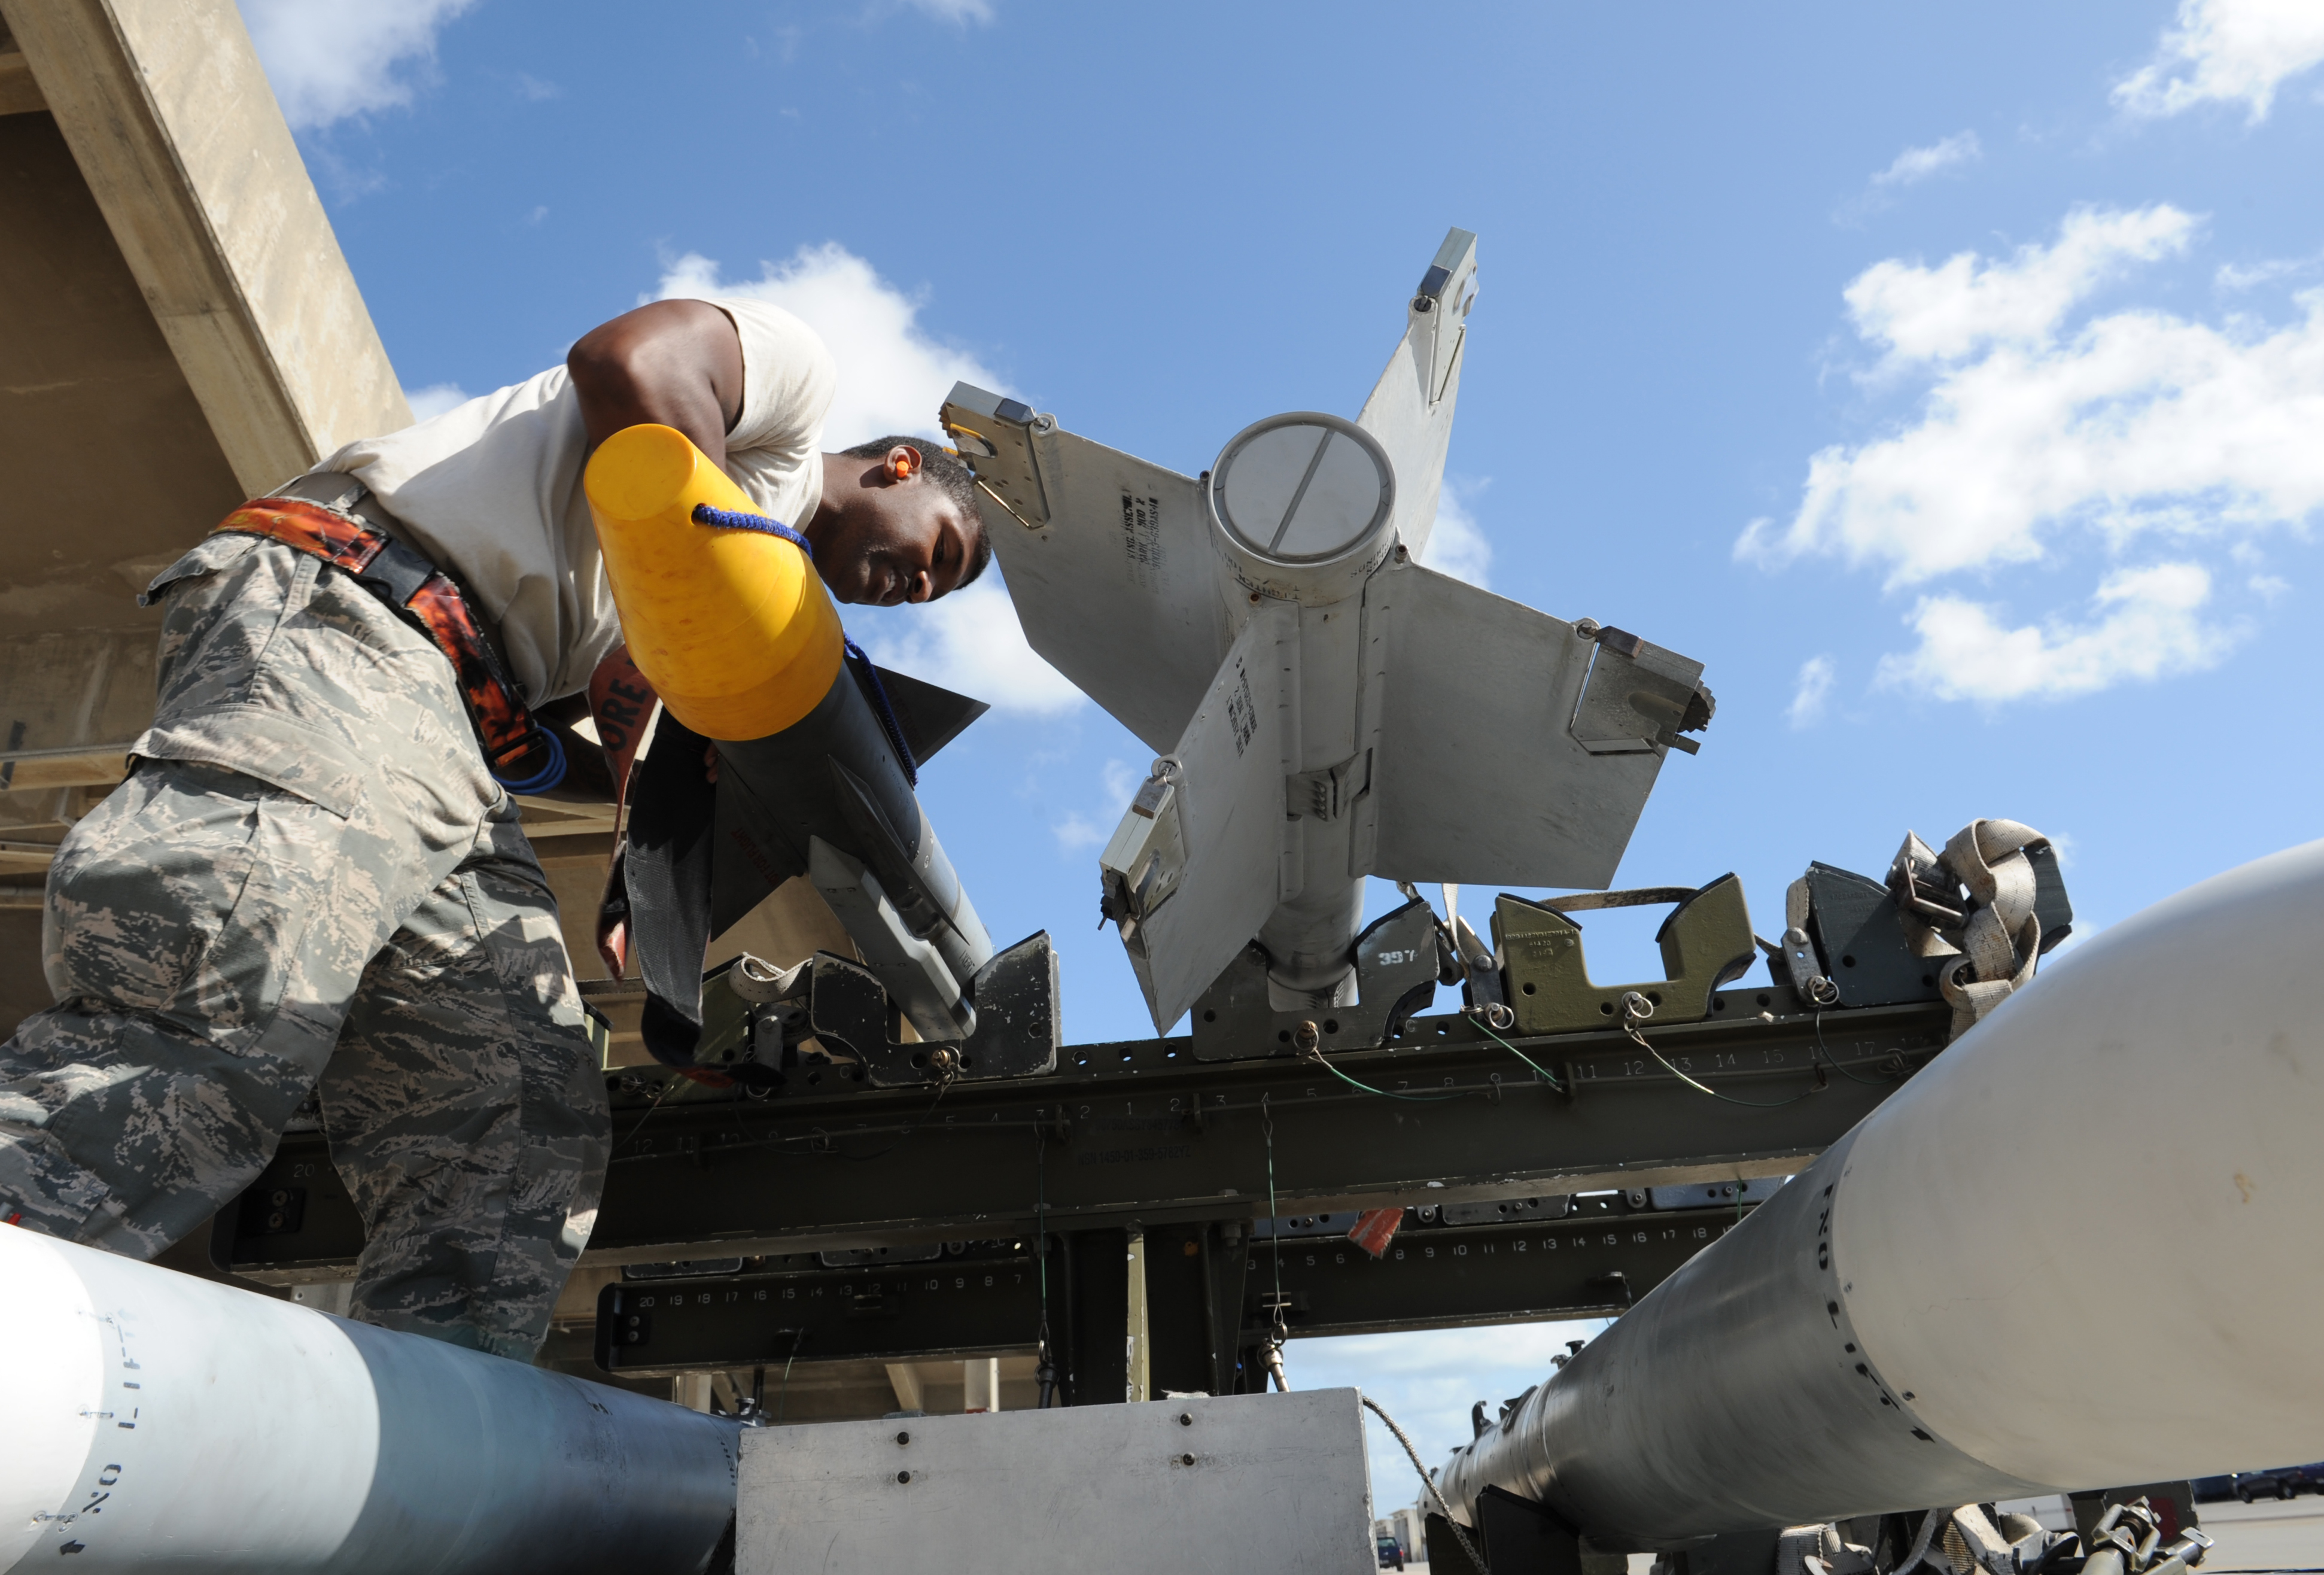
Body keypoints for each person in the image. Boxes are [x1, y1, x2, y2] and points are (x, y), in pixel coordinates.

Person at [0, 297, 988, 1359]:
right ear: (897, 467)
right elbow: (631, 360)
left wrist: (643, 848)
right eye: (940, 549)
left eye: (935, 593)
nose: (918, 587)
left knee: (520, 1104)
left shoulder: (705, 593)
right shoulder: (791, 403)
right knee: (231, 985)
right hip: (361, 609)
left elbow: (551, 737)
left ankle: (422, 1456)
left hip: (447, 720)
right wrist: (687, 544)